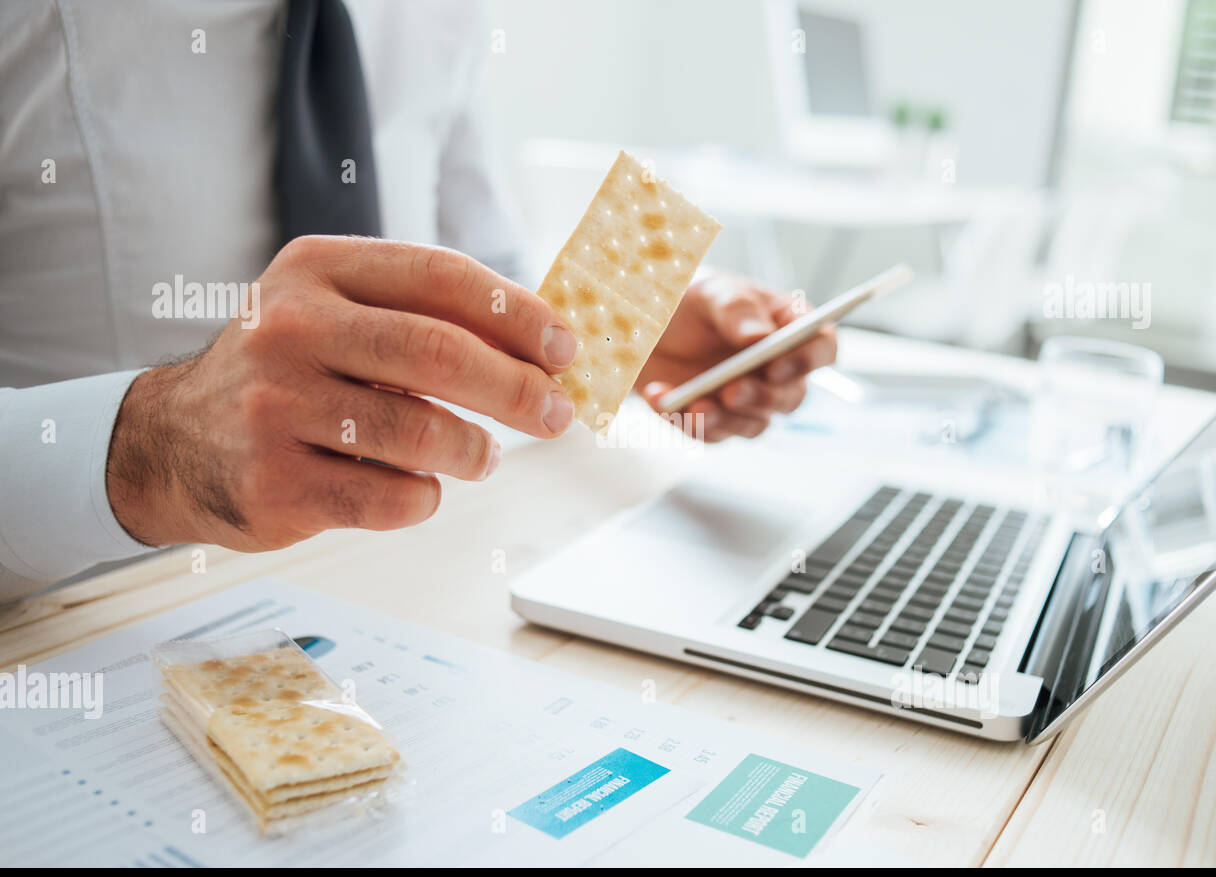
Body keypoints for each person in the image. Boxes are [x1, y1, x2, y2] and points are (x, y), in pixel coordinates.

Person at [0, 0, 835, 602]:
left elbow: (484, 268)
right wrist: (149, 449)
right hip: (94, 624)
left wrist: (616, 334)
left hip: (423, 587)